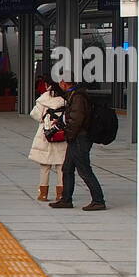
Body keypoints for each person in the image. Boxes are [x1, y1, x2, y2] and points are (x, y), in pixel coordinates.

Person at [48, 74, 106, 211]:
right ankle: (66, 199)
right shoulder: (74, 94)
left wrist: (68, 134)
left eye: (60, 81)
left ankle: (98, 200)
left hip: (80, 138)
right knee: (67, 168)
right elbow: (72, 116)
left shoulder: (78, 97)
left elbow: (76, 120)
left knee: (84, 170)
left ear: (64, 82)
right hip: (76, 137)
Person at [28, 84, 67, 201]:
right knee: (61, 167)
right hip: (61, 134)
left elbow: (35, 115)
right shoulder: (66, 100)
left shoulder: (43, 100)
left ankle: (43, 194)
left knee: (45, 166)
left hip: (46, 134)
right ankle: (60, 194)